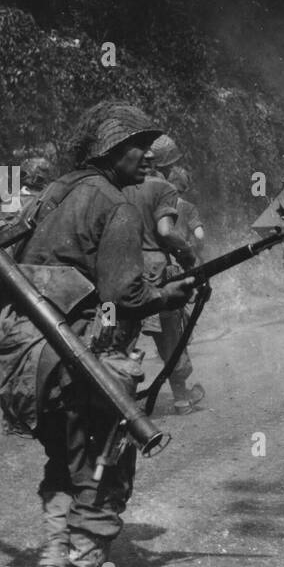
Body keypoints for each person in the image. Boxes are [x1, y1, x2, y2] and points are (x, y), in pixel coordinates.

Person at [0, 102, 197, 567]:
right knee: (106, 469)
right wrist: (169, 294)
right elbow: (126, 292)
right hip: (83, 359)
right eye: (135, 145)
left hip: (23, 355)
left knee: (65, 460)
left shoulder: (51, 193)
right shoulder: (115, 205)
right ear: (108, 152)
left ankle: (55, 561)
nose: (146, 154)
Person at [125, 135, 202, 415]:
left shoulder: (121, 186)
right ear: (167, 164)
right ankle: (181, 398)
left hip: (122, 268)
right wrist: (187, 252)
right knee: (170, 335)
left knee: (122, 335)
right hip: (156, 269)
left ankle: (119, 399)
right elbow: (166, 231)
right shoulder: (163, 187)